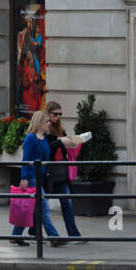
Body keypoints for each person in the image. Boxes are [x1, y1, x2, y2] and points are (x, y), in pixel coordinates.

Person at [11, 109, 64, 245]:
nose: (49, 124)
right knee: (44, 209)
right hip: (31, 178)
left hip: (40, 178)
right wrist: (24, 178)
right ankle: (54, 237)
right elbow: (25, 159)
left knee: (29, 210)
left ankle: (15, 235)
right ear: (40, 123)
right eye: (47, 121)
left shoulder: (44, 137)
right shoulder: (30, 138)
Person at [42, 100, 85, 242]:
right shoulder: (43, 129)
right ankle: (31, 231)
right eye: (55, 114)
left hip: (61, 171)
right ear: (48, 114)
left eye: (60, 114)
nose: (58, 117)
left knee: (67, 202)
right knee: (41, 204)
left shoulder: (61, 129)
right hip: (47, 172)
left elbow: (64, 147)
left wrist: (73, 141)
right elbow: (46, 149)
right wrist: (60, 142)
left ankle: (74, 235)